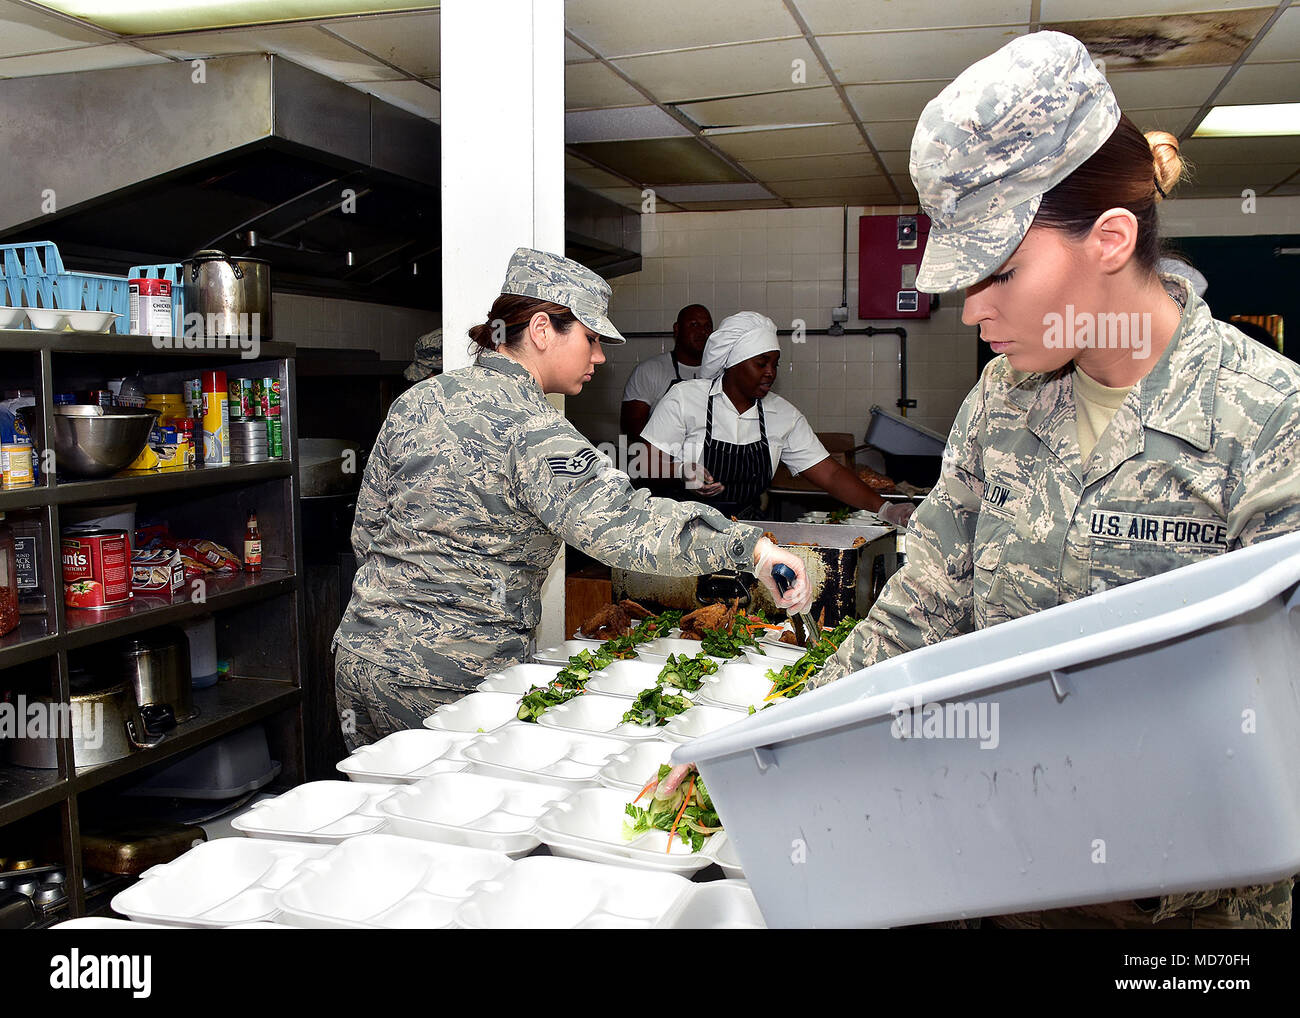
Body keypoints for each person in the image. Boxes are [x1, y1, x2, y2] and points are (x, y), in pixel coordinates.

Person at [807, 32, 1299, 929]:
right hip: (998, 873)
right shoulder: (1003, 397)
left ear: (1110, 239)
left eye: (999, 273)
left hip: (1181, 910)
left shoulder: (1269, 420)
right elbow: (925, 601)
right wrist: (775, 745)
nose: (973, 310)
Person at [332, 248, 812, 751]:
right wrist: (752, 549)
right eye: (591, 338)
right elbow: (628, 525)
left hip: (361, 660)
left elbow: (367, 531)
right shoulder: (534, 428)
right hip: (447, 679)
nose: (600, 356)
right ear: (542, 330)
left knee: (386, 818)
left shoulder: (418, 399)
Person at [640, 311, 915, 525]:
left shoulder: (782, 415)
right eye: (761, 363)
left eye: (775, 363)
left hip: (743, 530)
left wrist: (885, 509)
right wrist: (681, 470)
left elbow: (830, 474)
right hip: (682, 528)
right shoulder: (686, 398)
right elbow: (646, 462)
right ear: (732, 363)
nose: (770, 372)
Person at [620, 303, 713, 443]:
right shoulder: (650, 370)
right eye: (694, 325)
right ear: (677, 329)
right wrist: (663, 457)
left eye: (707, 326)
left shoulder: (720, 372)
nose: (702, 331)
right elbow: (632, 427)